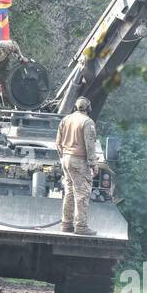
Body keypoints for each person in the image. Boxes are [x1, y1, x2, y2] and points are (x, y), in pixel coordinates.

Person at [54, 97, 99, 234]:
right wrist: (93, 164)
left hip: (66, 159)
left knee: (69, 191)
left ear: (75, 107)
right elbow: (90, 145)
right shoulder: (87, 122)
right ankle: (81, 226)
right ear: (88, 109)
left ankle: (66, 224)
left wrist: (63, 156)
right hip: (79, 161)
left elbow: (57, 143)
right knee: (82, 192)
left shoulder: (65, 120)